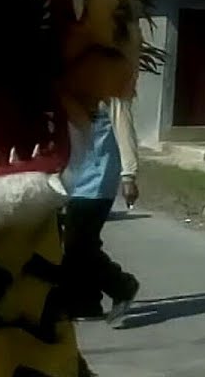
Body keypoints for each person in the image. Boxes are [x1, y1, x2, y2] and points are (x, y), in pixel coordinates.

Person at [62, 97, 141, 323]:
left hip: (99, 178)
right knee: (84, 243)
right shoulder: (69, 88)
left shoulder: (111, 91)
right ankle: (86, 303)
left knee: (77, 243)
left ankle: (122, 285)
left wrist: (129, 176)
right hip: (71, 178)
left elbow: (125, 131)